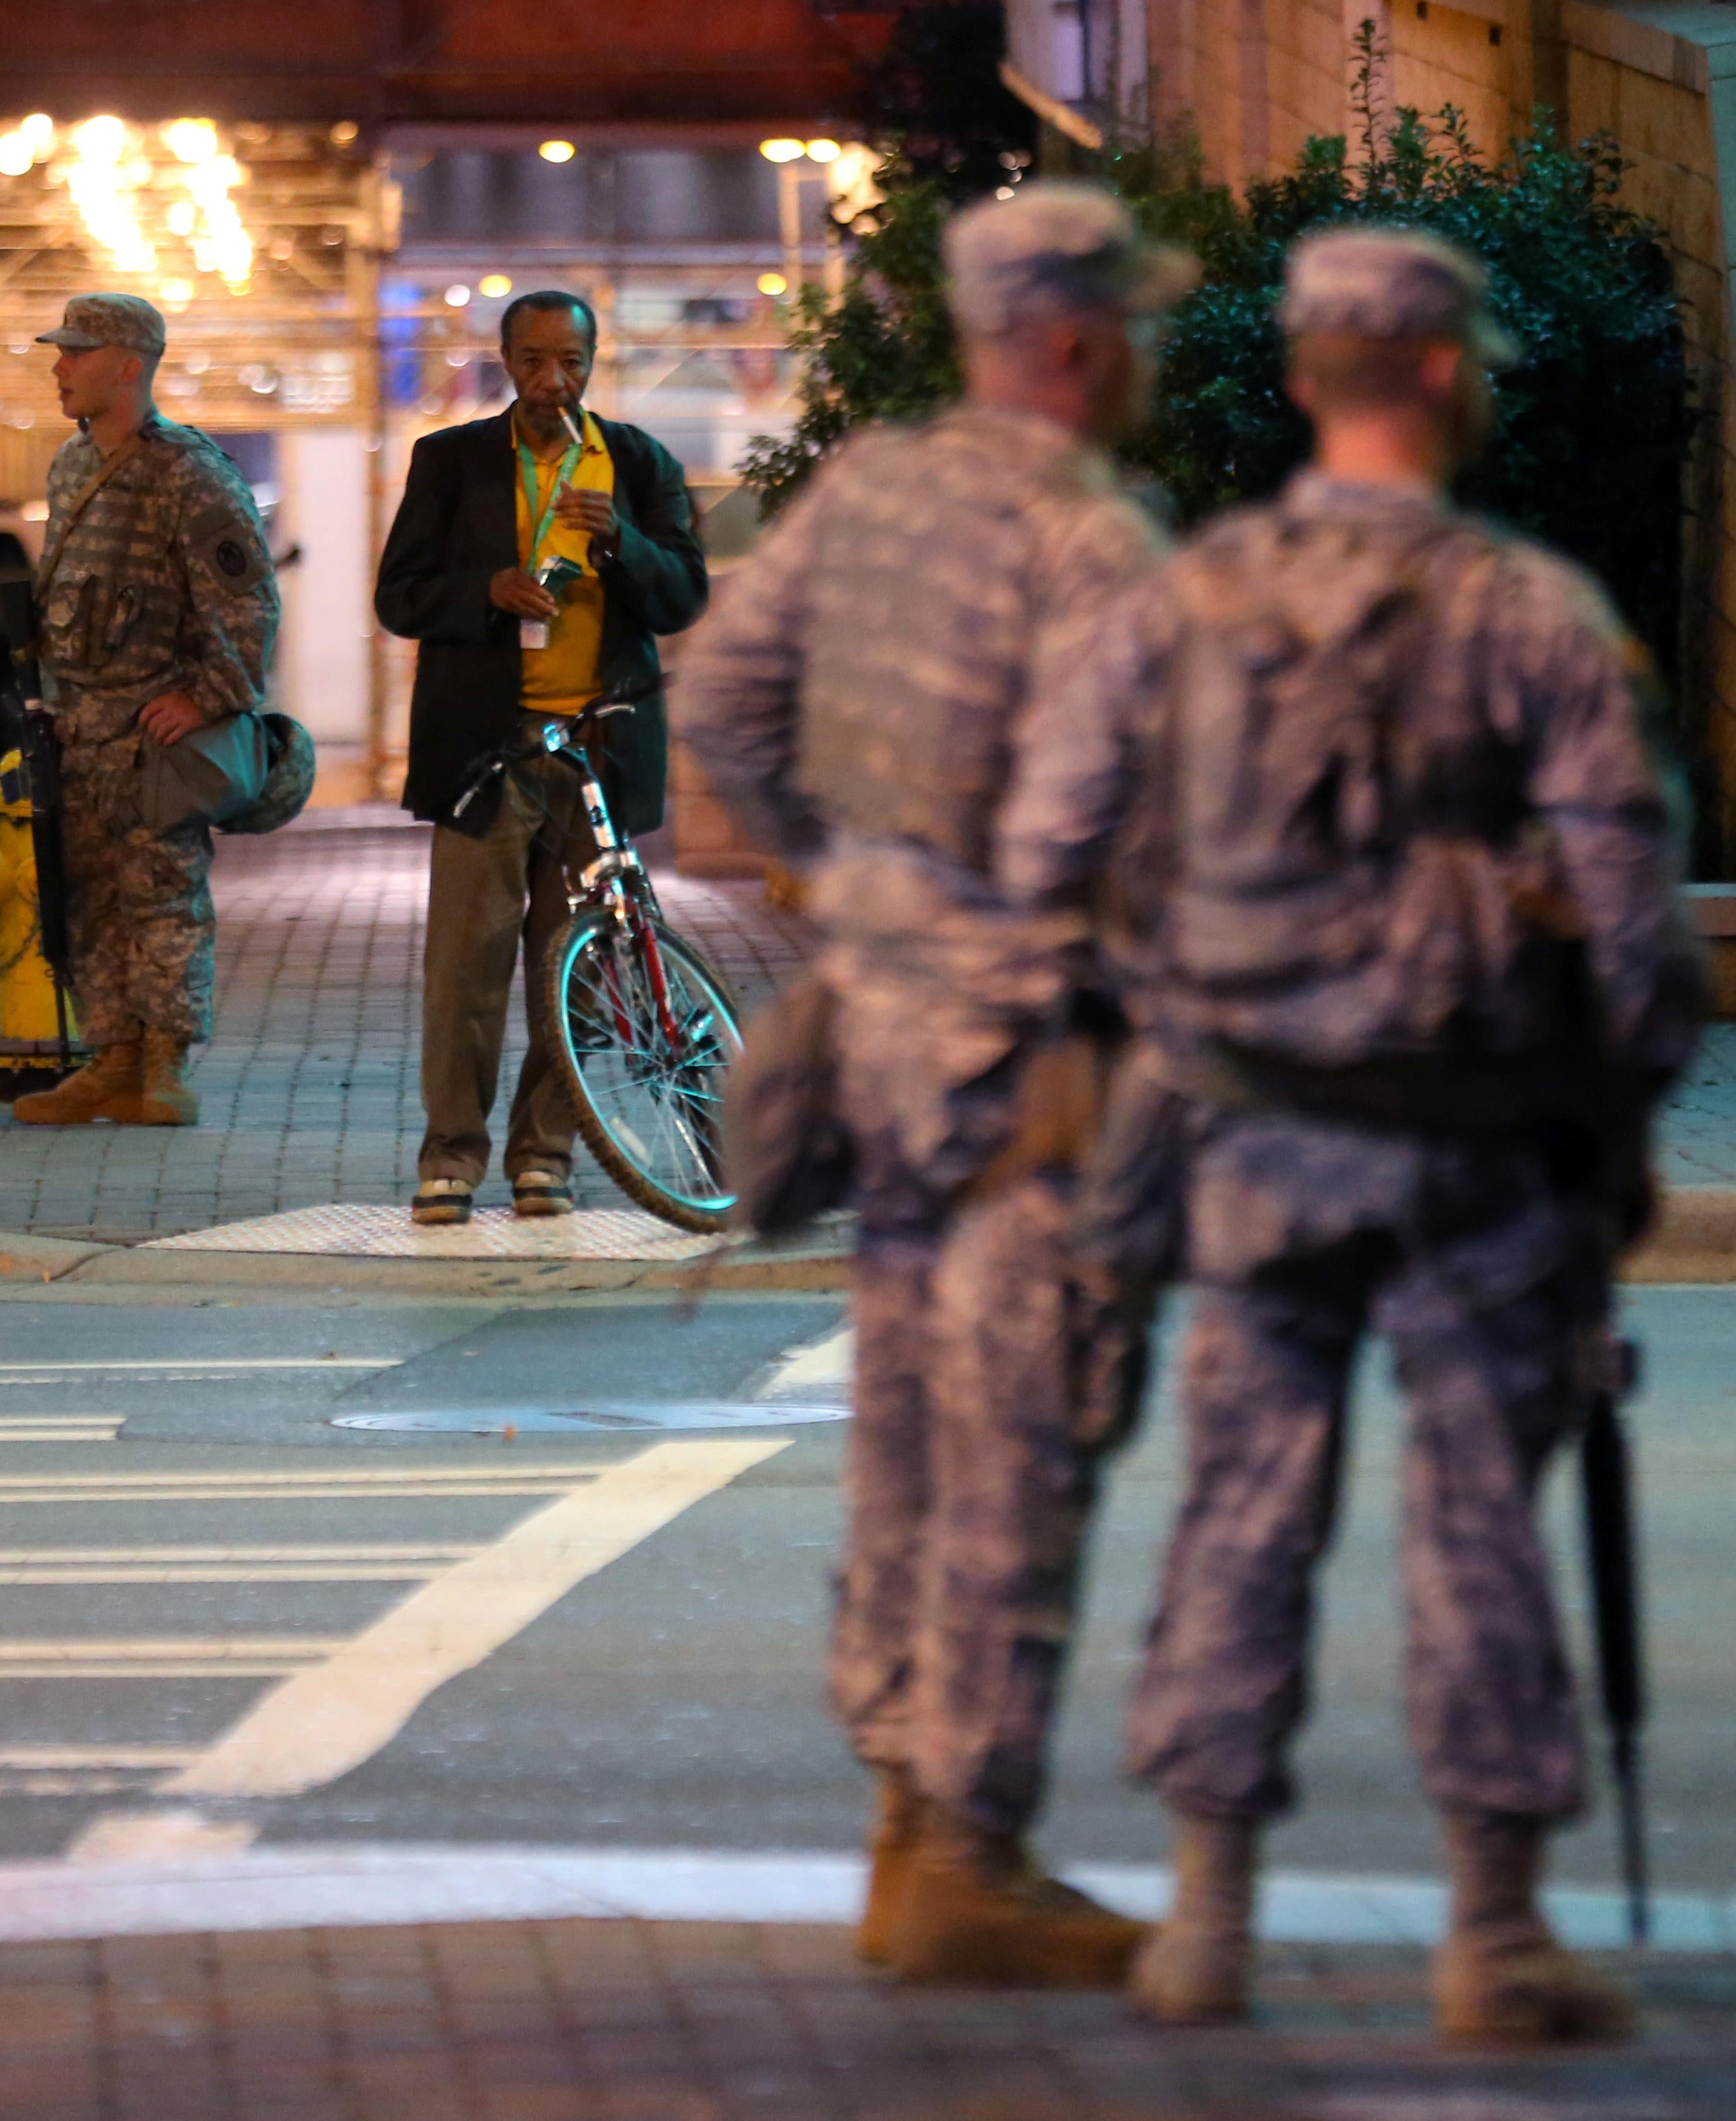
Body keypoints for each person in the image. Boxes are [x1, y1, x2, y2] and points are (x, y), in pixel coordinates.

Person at [998, 225, 1706, 2035]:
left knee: (1239, 1503)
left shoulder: (1182, 597)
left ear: (1305, 378)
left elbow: (1047, 853)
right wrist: (1617, 1113)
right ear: (1452, 375)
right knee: (1479, 1515)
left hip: (1249, 1131)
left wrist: (1159, 997)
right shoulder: (1524, 608)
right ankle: (1492, 1938)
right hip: (1477, 1139)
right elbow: (1631, 910)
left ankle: (1205, 1919)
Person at [678, 182, 1188, 1987]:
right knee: (1019, 1447)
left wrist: (848, 875)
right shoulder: (1090, 537)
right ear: (1069, 338)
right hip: (1032, 1057)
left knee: (902, 1434)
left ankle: (906, 1823)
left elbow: (722, 698)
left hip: (877, 1047)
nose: (1143, 352)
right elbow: (1108, 821)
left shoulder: (867, 492)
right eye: (1128, 322)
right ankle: (968, 1846)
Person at [374, 289, 709, 1222]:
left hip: (597, 758)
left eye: (569, 360)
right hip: (489, 755)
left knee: (581, 976)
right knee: (464, 972)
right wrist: (489, 589)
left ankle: (545, 1157)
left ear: (593, 361)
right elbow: (399, 596)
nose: (551, 378)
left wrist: (621, 544)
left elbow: (683, 594)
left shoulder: (638, 463)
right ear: (505, 359)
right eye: (532, 360)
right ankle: (449, 1159)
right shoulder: (451, 462)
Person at [6, 293, 280, 1129]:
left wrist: (206, 697)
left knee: (163, 897)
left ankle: (165, 1061)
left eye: (76, 351)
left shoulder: (187, 472)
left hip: (150, 738)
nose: (59, 366)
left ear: (128, 363)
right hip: (78, 729)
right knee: (87, 899)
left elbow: (246, 603)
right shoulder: (71, 466)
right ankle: (111, 1056)